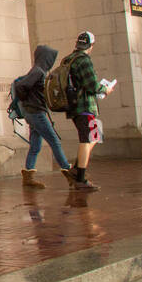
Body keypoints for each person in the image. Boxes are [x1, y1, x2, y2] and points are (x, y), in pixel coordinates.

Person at [13, 45, 71, 188]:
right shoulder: (38, 72)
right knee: (55, 142)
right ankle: (70, 174)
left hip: (33, 112)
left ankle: (28, 177)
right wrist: (29, 101)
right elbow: (21, 87)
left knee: (35, 146)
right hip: (36, 113)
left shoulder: (37, 71)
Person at [61, 30, 111, 192]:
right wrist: (105, 89)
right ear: (91, 46)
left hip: (73, 106)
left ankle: (76, 170)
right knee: (87, 139)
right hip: (84, 106)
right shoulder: (84, 61)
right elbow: (92, 85)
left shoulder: (67, 59)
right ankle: (80, 178)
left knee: (95, 136)